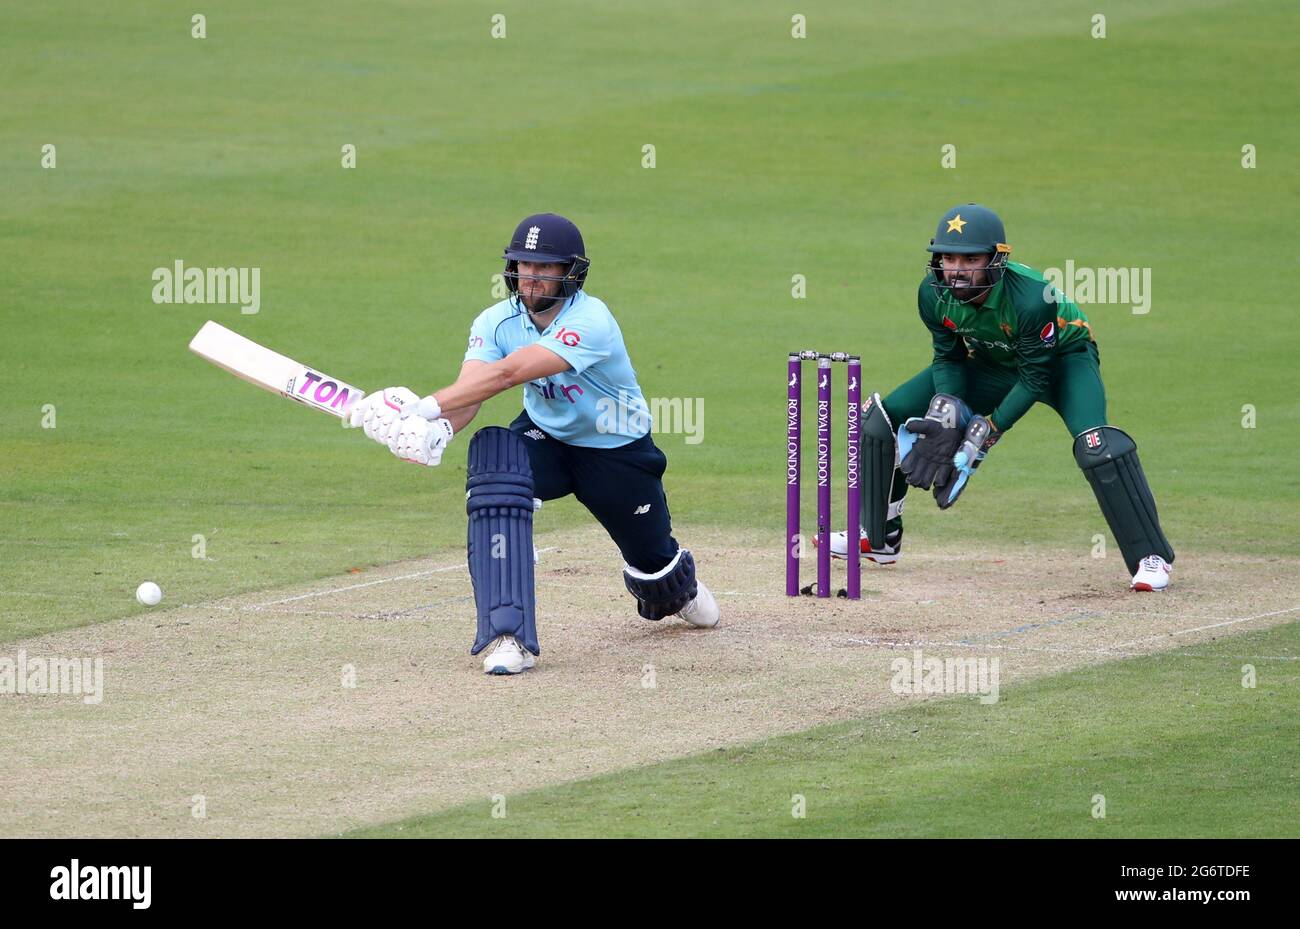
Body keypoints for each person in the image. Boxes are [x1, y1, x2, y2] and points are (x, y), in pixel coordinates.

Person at [346, 213, 719, 674]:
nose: (533, 276)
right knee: (495, 472)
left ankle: (677, 588)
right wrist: (437, 431)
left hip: (616, 451)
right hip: (547, 437)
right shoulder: (495, 321)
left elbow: (508, 375)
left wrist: (421, 408)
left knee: (656, 569)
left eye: (546, 267)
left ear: (570, 271)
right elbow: (475, 387)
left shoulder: (591, 320)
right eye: (524, 265)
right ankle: (509, 635)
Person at [821, 203, 1174, 592]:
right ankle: (878, 536)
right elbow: (948, 356)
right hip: (988, 360)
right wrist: (948, 411)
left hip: (1062, 362)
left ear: (995, 260)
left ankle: (1150, 557)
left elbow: (1035, 376)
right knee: (879, 419)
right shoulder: (932, 294)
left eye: (970, 258)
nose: (956, 268)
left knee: (1097, 446)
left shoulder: (1032, 297)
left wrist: (988, 430)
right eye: (948, 257)